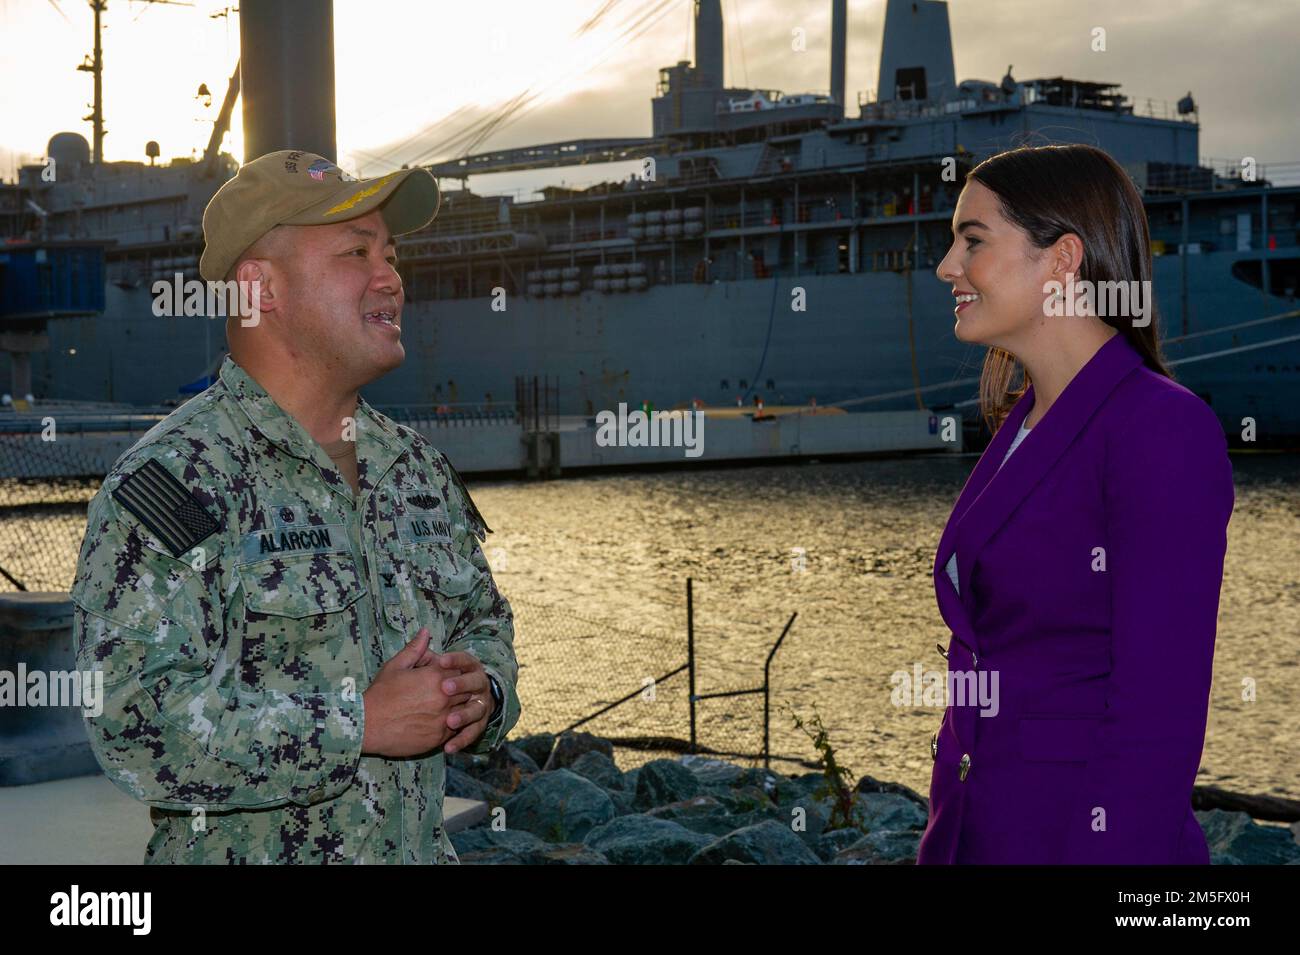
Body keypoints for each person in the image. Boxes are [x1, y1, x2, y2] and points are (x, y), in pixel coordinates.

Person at [69, 149, 519, 864]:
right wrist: (357, 723)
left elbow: (486, 622)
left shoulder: (416, 470)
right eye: (355, 252)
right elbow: (132, 721)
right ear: (261, 288)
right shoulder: (175, 483)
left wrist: (483, 690)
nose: (391, 277)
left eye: (392, 253)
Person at [918, 144, 1234, 864]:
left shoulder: (1159, 428)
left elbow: (1157, 717)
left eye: (972, 241)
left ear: (1061, 260)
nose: (946, 266)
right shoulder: (1021, 426)